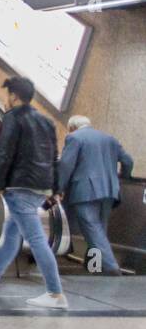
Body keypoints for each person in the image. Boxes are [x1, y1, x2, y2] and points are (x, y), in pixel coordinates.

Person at [0, 76, 67, 309]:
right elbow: (54, 156)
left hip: (20, 185)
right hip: (40, 185)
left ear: (14, 96)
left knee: (35, 238)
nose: (6, 100)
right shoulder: (45, 121)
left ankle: (55, 293)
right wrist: (56, 188)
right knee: (13, 231)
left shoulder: (13, 118)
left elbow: (5, 153)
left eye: (8, 95)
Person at [57, 116, 134, 275]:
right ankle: (93, 265)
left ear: (72, 127)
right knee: (99, 229)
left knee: (92, 229)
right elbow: (128, 161)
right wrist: (121, 177)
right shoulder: (109, 139)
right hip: (109, 191)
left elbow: (65, 165)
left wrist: (58, 188)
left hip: (86, 191)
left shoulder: (74, 138)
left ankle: (111, 268)